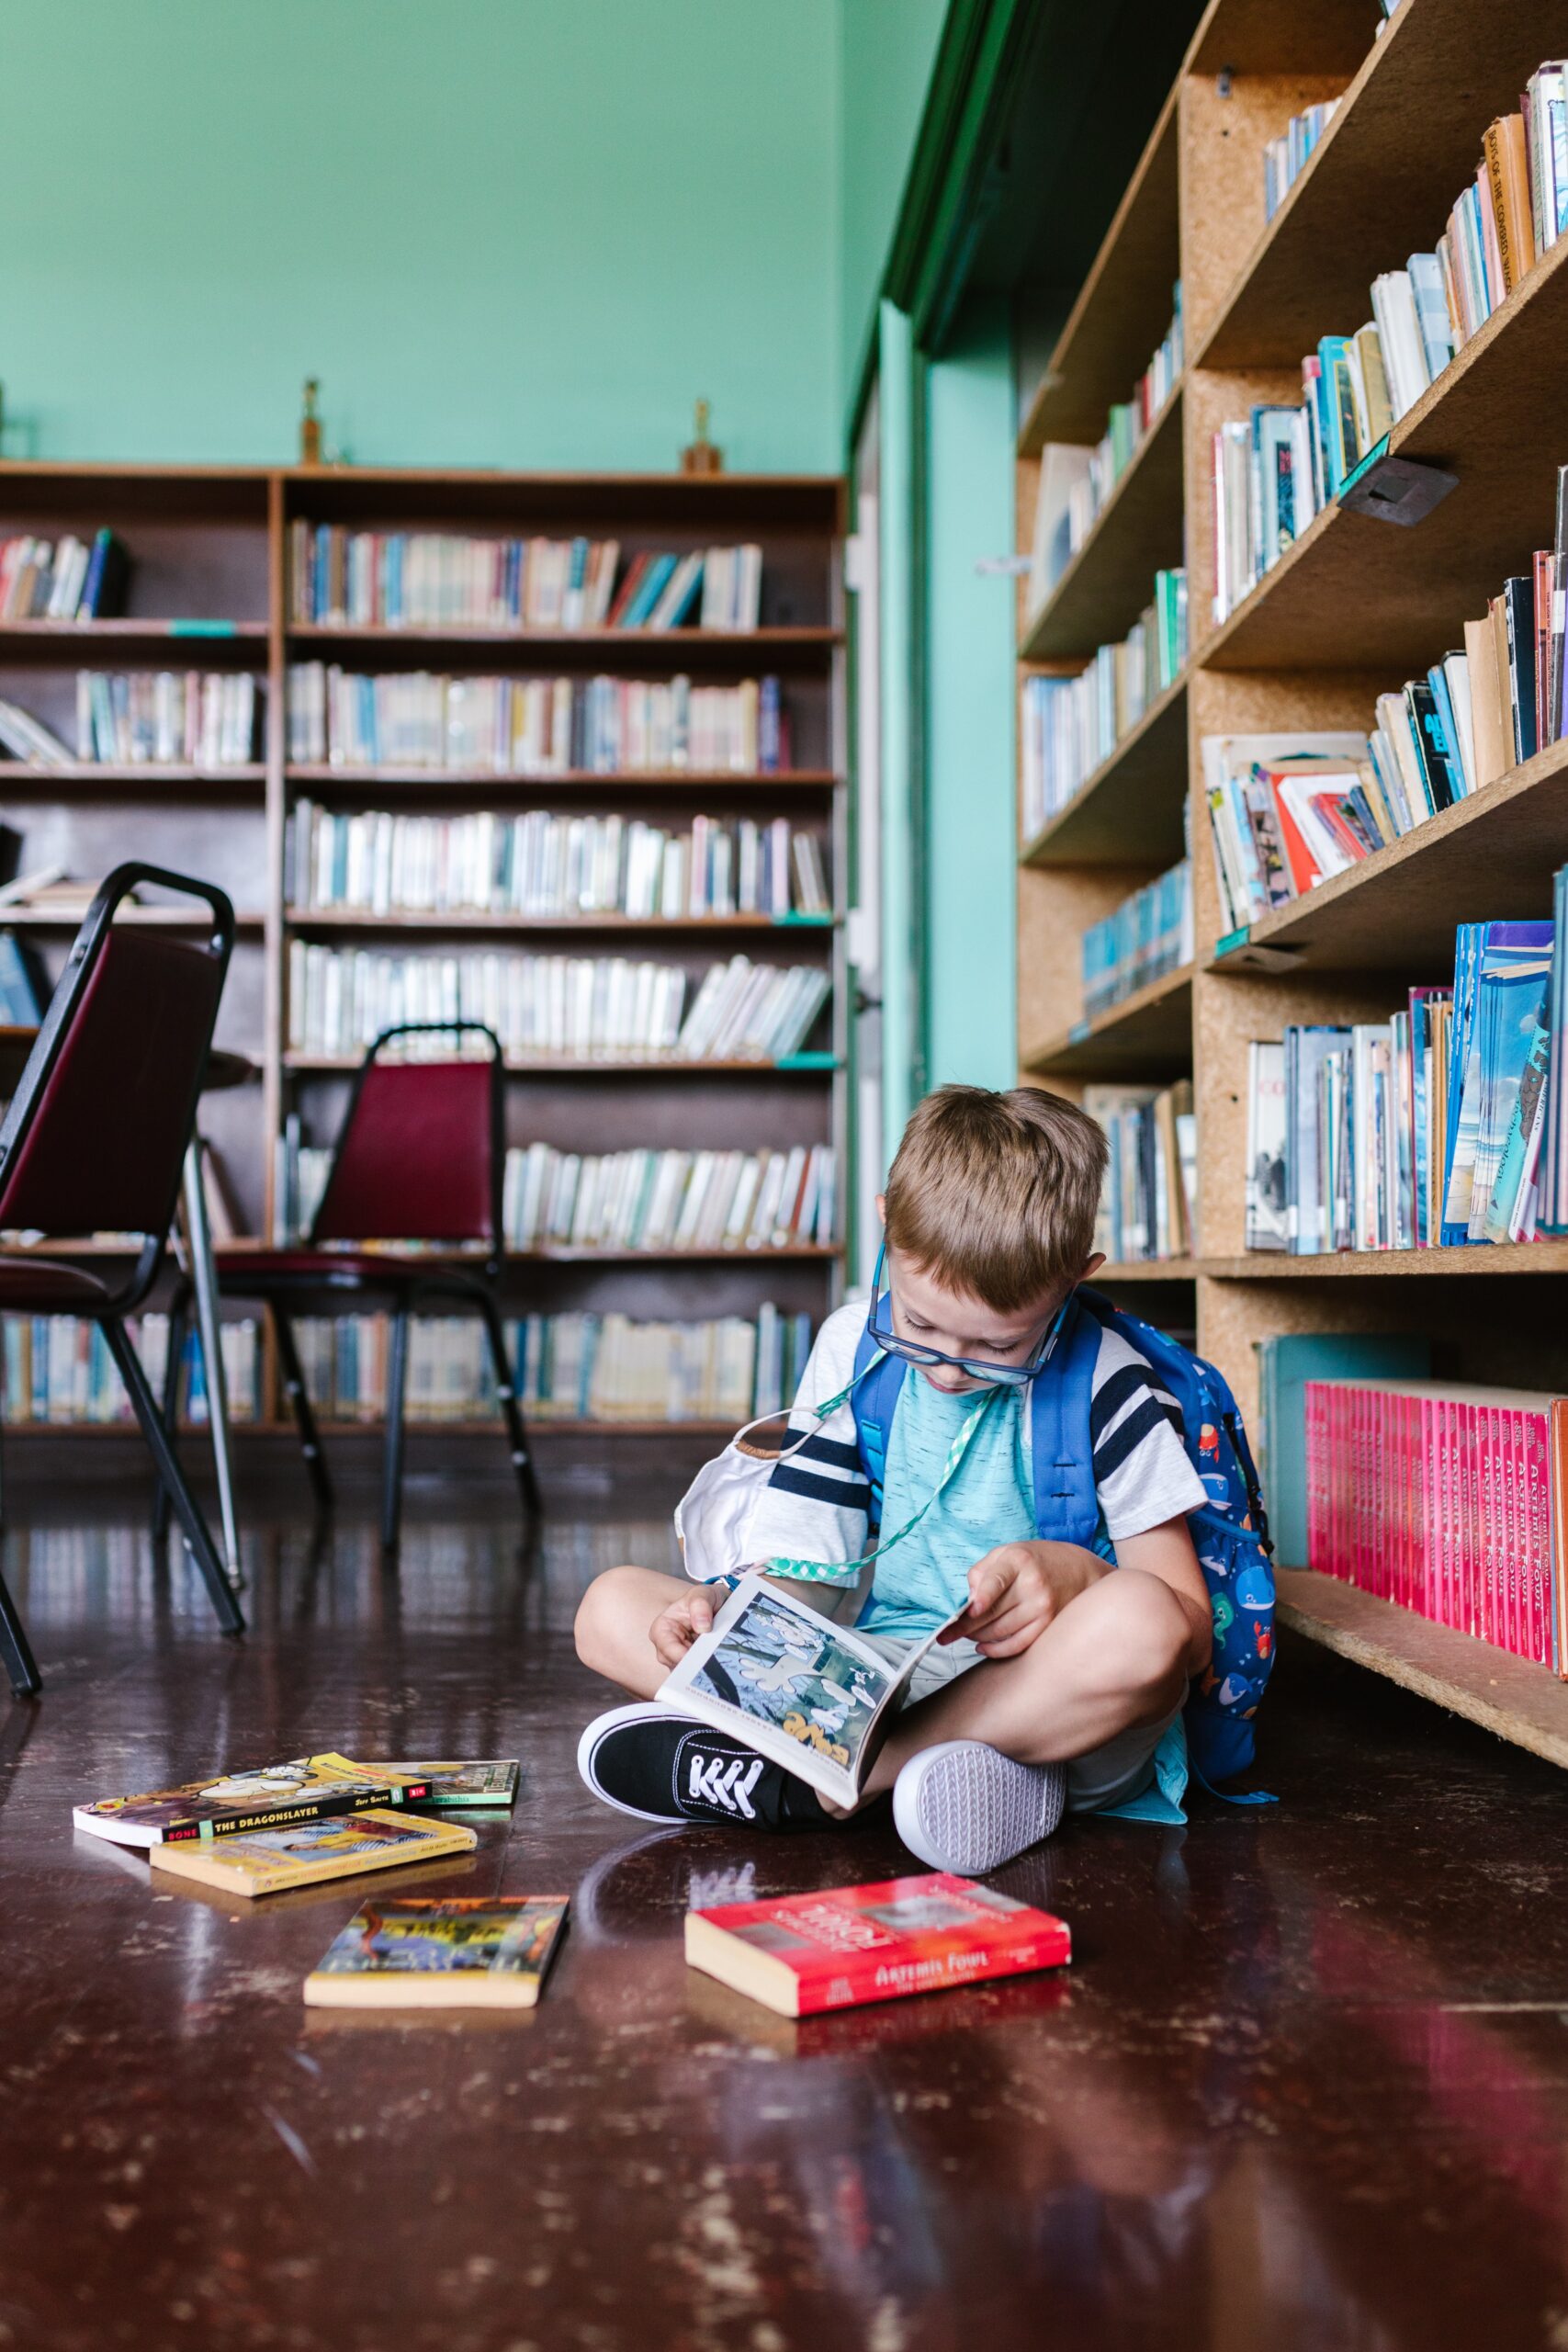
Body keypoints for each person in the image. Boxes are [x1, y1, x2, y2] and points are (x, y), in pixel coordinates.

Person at [573, 1085, 1211, 1874]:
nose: (947, 1369)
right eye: (920, 1327)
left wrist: (1075, 1576)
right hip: (879, 1682)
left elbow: (1186, 1634)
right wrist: (729, 1614)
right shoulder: (853, 1348)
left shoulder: (1108, 1382)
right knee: (610, 1608)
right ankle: (937, 1779)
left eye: (997, 1346)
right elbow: (801, 1578)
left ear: (1075, 1279)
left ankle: (836, 1783)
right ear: (885, 1223)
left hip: (1050, 1705)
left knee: (1141, 1623)